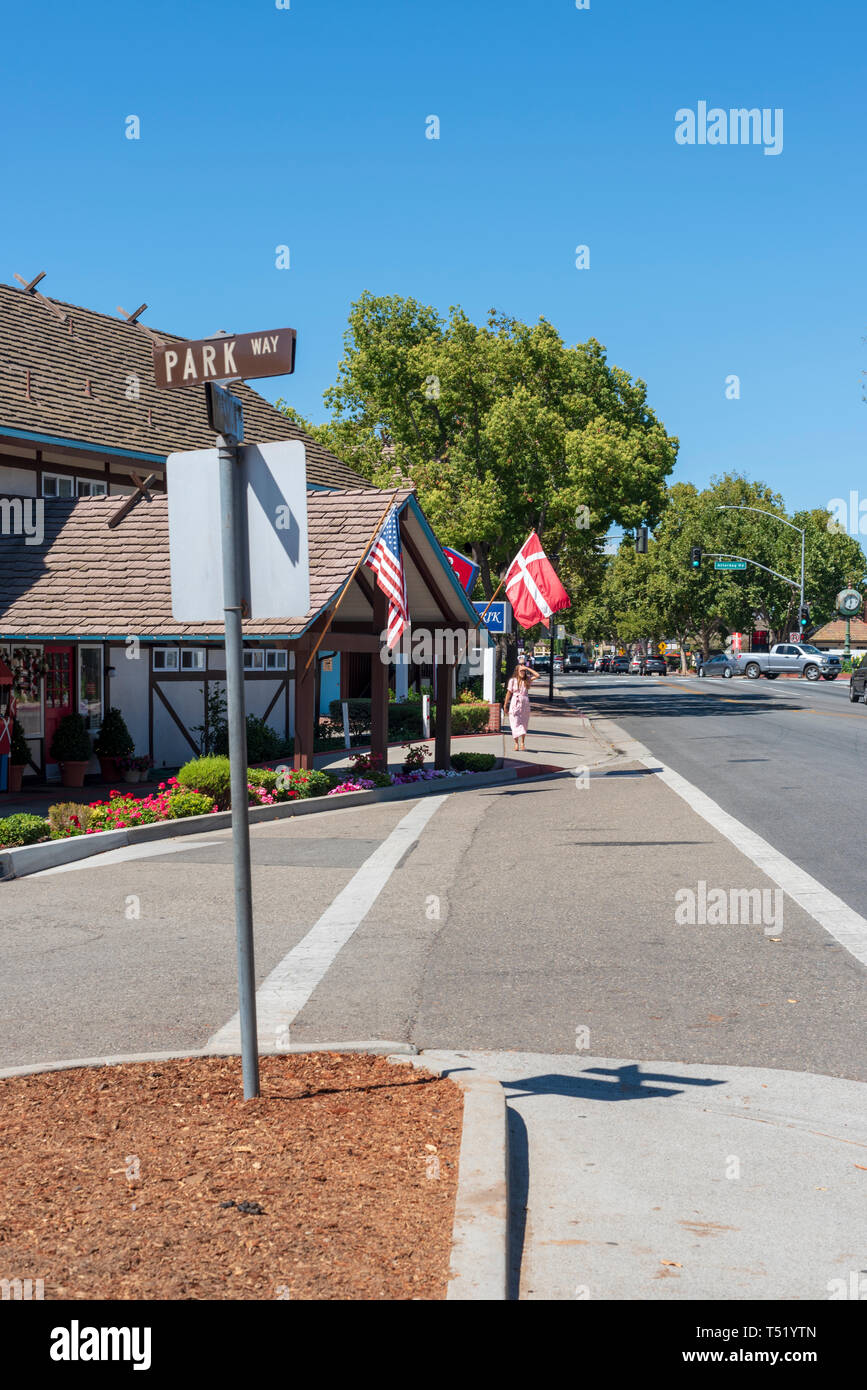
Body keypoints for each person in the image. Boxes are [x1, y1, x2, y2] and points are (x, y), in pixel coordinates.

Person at [504, 658, 540, 752]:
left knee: (524, 723)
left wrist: (527, 668)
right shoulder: (512, 680)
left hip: (525, 702)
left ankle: (522, 743)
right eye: (521, 670)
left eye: (524, 671)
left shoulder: (527, 680)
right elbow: (509, 693)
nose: (523, 672)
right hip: (515, 702)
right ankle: (516, 743)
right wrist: (505, 705)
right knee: (514, 722)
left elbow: (537, 675)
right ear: (517, 671)